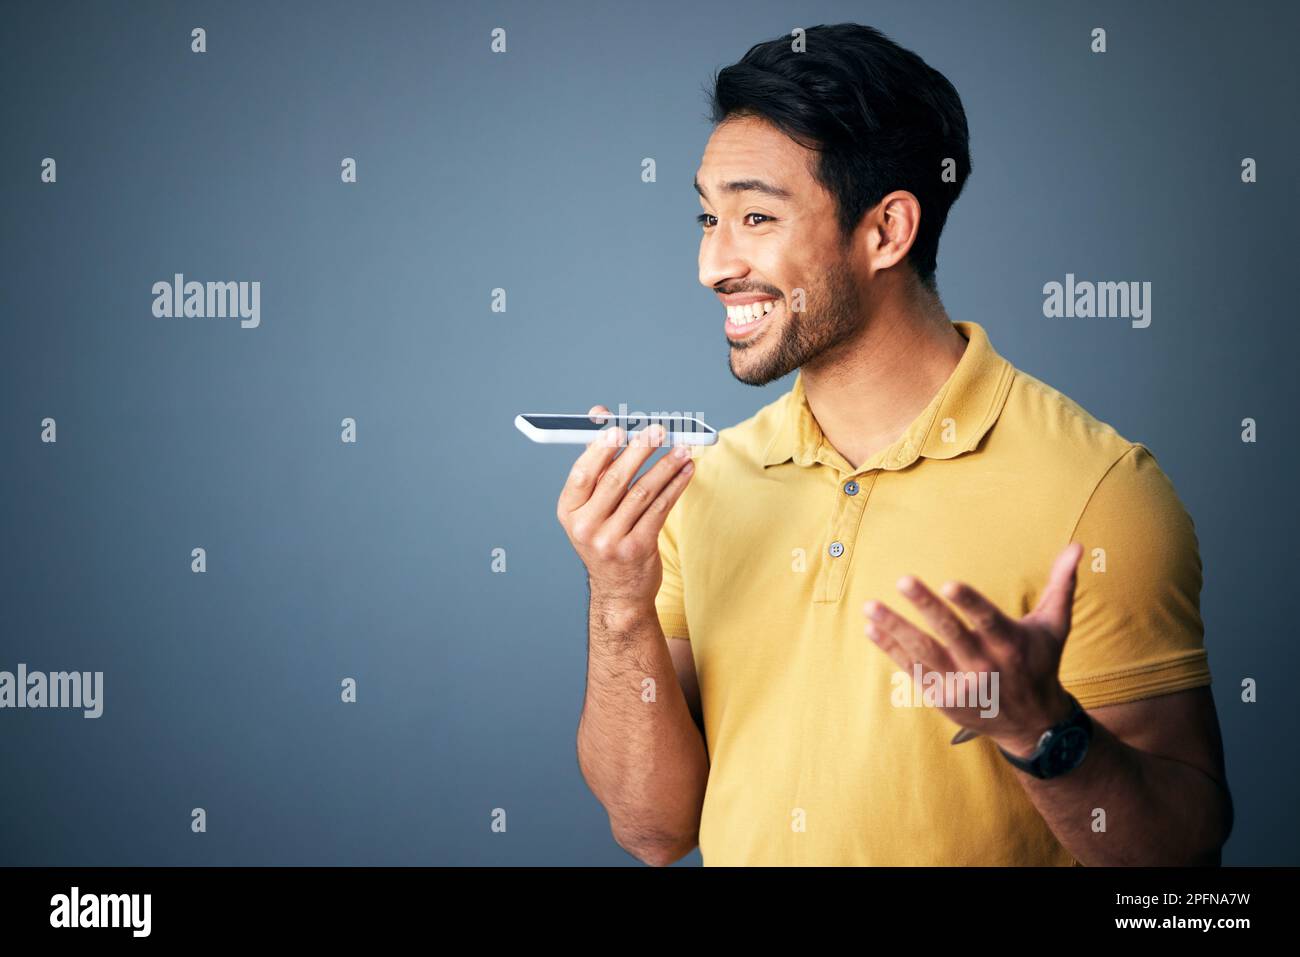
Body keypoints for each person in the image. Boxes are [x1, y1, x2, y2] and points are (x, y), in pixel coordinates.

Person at [555, 23, 1231, 866]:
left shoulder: (1102, 489)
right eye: (707, 217)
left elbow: (1178, 863)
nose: (711, 264)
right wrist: (619, 603)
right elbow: (653, 832)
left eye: (755, 215)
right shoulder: (712, 481)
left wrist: (1042, 728)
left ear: (886, 231)